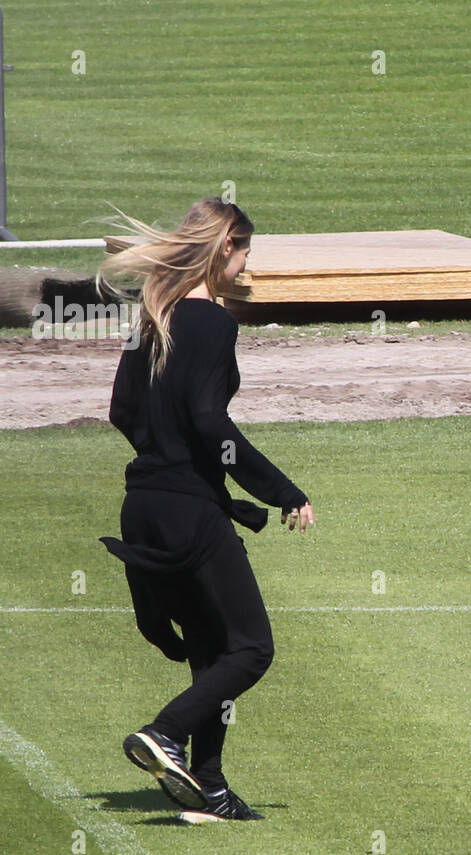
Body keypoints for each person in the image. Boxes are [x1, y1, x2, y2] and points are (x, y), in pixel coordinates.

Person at [97, 197, 315, 822]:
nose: (246, 267)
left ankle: (208, 786)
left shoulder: (152, 317)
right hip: (190, 511)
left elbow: (122, 412)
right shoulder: (212, 323)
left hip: (142, 504)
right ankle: (165, 734)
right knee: (251, 649)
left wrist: (163, 459)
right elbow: (207, 418)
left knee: (211, 651)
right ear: (225, 249)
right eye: (245, 253)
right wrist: (282, 491)